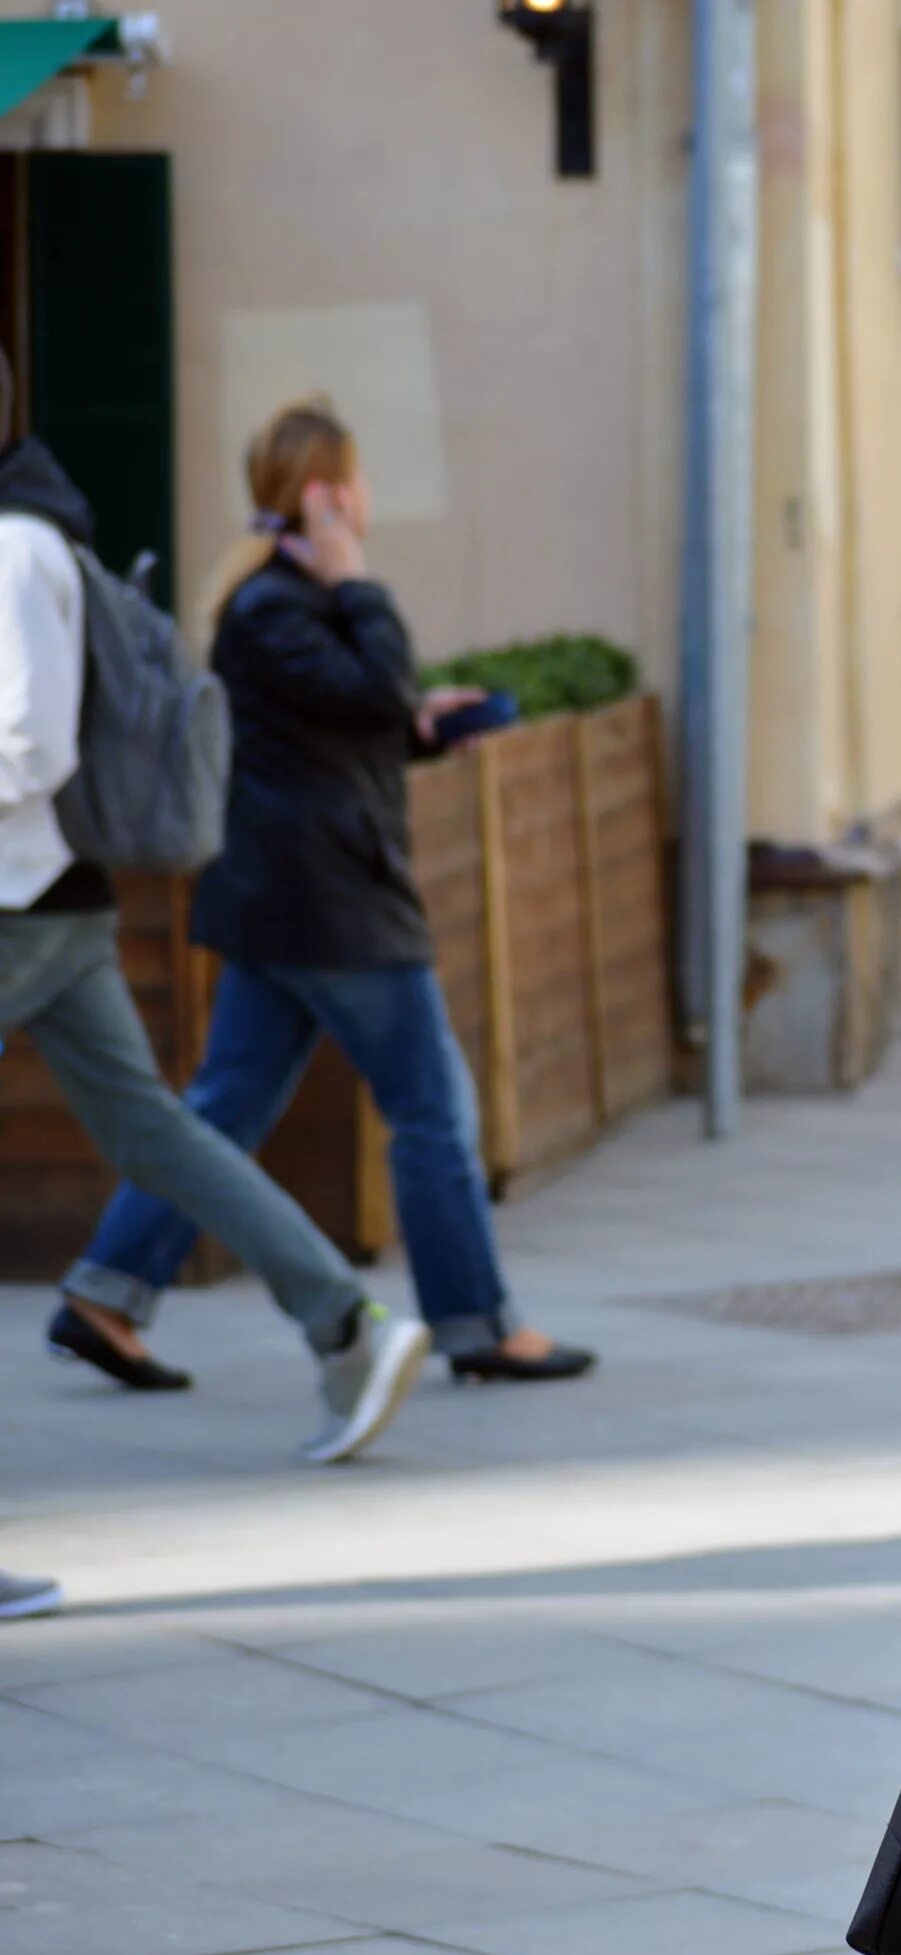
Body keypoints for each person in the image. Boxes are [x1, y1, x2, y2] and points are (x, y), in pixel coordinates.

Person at [66, 399, 595, 1389]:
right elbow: (370, 686)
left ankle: (105, 1295)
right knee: (432, 1111)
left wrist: (423, 725)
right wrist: (356, 581)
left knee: (219, 1115)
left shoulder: (279, 606)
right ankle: (476, 1323)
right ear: (323, 493)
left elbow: (348, 724)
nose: (361, 500)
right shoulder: (280, 605)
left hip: (288, 903)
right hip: (332, 909)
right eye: (348, 482)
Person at [0, 381, 427, 1463]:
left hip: (20, 896)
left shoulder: (13, 548)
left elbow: (28, 745)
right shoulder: (41, 538)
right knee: (163, 1128)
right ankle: (343, 1325)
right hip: (58, 896)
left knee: (194, 1122)